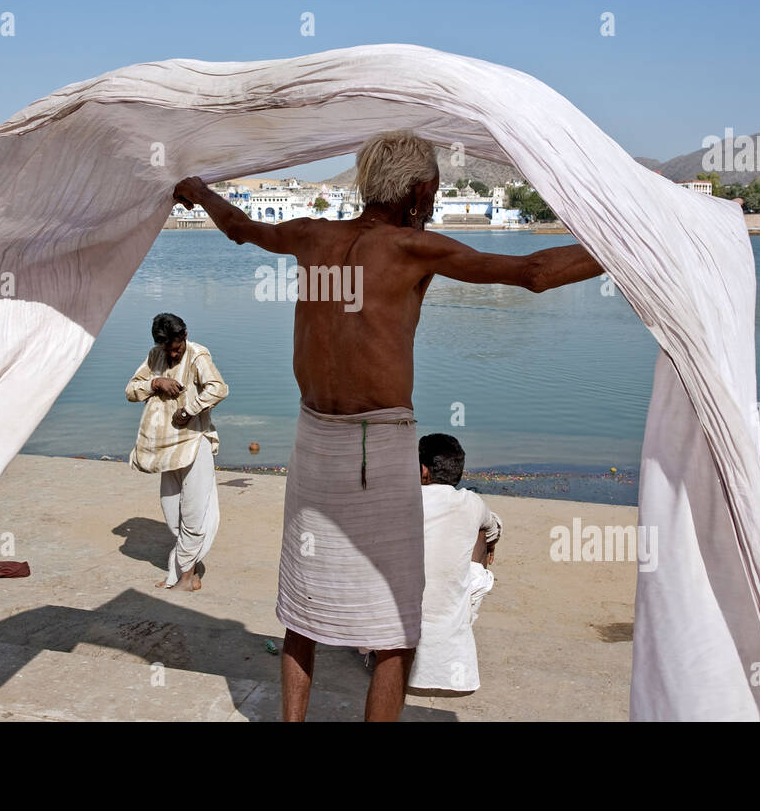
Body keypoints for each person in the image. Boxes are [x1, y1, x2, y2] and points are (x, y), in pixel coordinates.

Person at [173, 129, 603, 721]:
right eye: (432, 193)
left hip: (312, 436)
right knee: (395, 624)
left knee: (304, 608)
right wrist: (630, 244)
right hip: (379, 444)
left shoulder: (310, 235)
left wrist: (198, 191)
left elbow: (242, 227)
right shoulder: (409, 248)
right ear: (419, 191)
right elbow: (531, 272)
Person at [125, 313, 229, 592]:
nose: (172, 353)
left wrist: (189, 410)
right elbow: (131, 391)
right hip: (166, 448)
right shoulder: (154, 357)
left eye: (176, 347)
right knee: (172, 509)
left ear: (184, 336)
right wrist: (156, 383)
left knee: (194, 510)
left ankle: (184, 577)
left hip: (195, 442)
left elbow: (218, 389)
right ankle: (187, 572)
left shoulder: (197, 355)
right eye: (167, 349)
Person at [407, 433, 502, 696]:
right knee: (482, 531)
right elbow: (493, 527)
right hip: (447, 631)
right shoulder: (471, 502)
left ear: (423, 471)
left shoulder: (404, 499)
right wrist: (491, 544)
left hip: (392, 630)